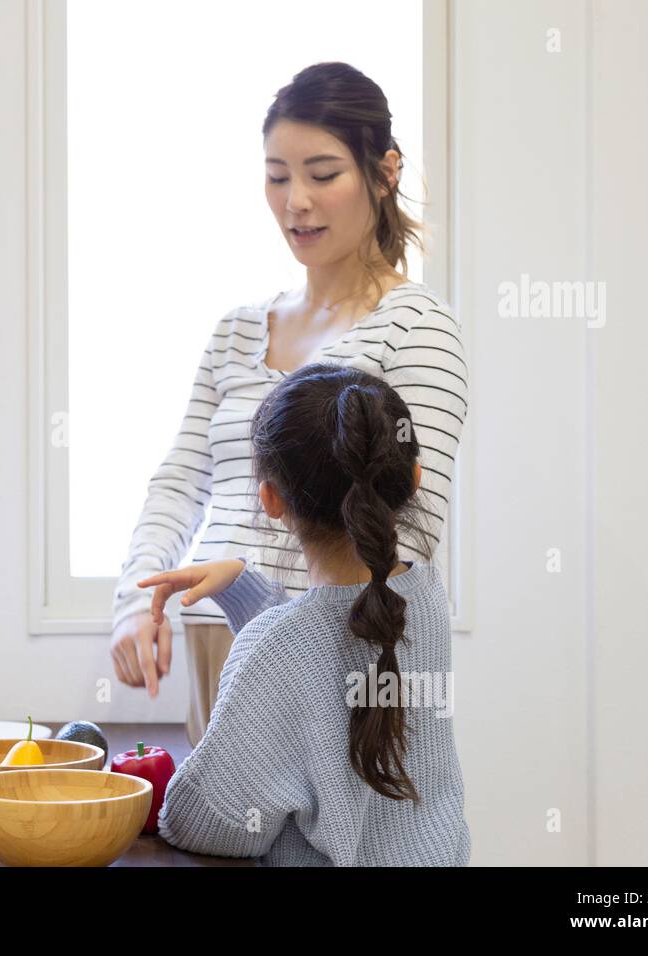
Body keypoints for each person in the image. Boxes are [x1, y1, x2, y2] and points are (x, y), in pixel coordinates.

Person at [109, 61, 469, 748]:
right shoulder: (239, 329)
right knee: (218, 848)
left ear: (384, 171)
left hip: (341, 659)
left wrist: (267, 614)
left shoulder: (416, 326)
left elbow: (410, 536)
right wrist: (136, 600)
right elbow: (182, 481)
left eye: (322, 173)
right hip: (218, 651)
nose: (295, 200)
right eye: (277, 176)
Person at [137, 364, 470, 865]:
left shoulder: (276, 648)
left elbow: (209, 823)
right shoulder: (423, 596)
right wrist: (245, 588)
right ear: (414, 479)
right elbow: (326, 652)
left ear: (270, 498)